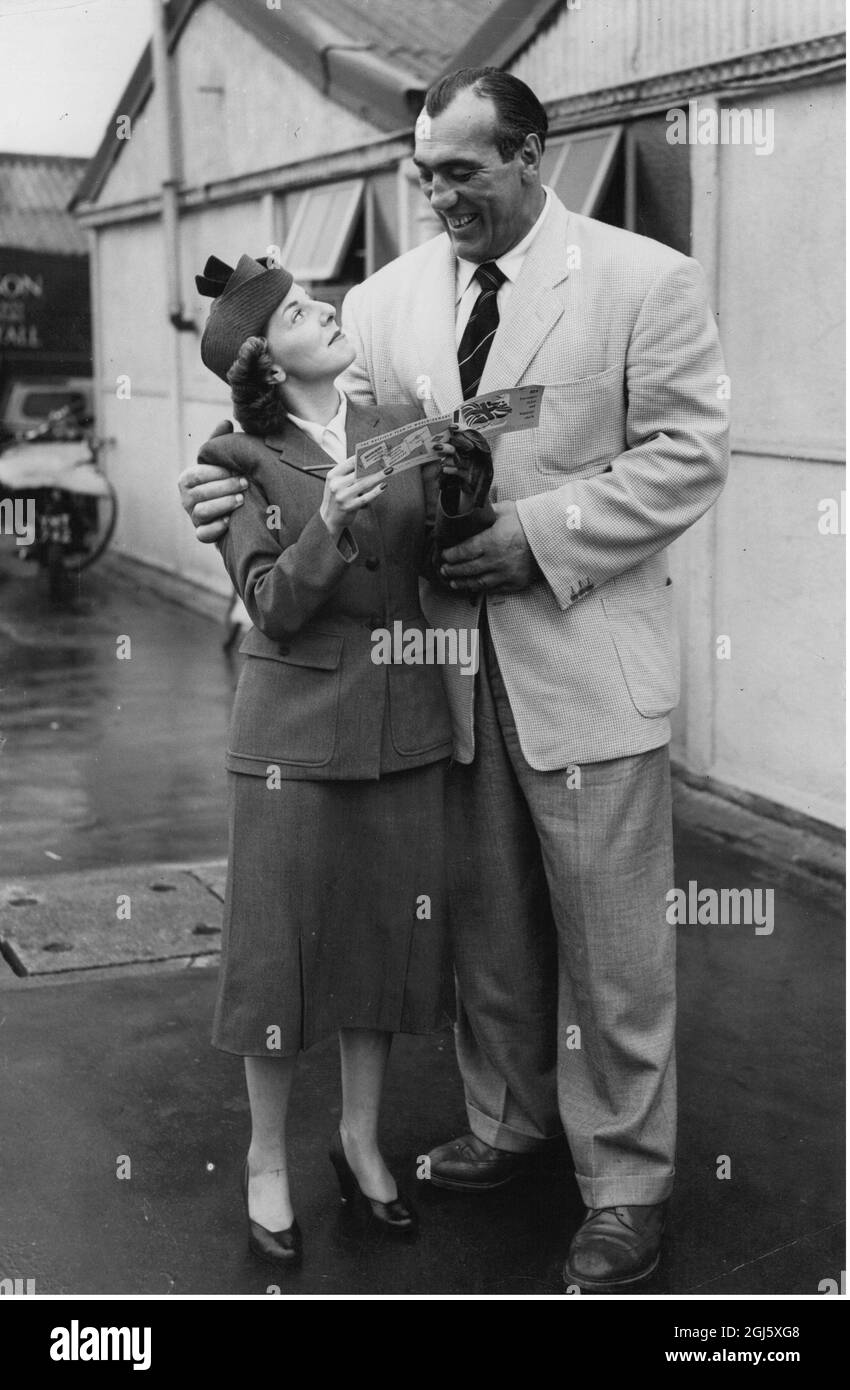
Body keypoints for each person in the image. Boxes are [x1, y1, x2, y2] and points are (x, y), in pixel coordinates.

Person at [180, 68, 730, 1291]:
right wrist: (218, 484)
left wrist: (536, 534)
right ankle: (506, 1121)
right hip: (439, 673)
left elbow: (691, 454)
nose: (439, 196)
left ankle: (626, 1182)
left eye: (463, 172)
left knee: (612, 942)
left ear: (532, 155)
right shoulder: (383, 300)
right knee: (484, 920)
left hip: (584, 660)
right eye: (424, 173)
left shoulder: (642, 280)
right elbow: (299, 419)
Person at [191, 250, 491, 1265]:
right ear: (263, 365)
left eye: (320, 303)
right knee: (280, 959)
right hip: (293, 743)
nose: (326, 314)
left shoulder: (391, 432)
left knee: (379, 949)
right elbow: (269, 602)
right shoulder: (233, 458)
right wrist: (326, 525)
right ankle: (266, 1160)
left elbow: (438, 553)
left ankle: (361, 1142)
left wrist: (464, 486)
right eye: (299, 315)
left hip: (400, 726)